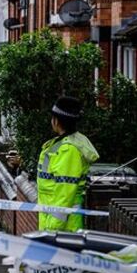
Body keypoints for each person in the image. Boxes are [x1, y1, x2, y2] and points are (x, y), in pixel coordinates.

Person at [37, 96, 99, 232]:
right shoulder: (61, 144)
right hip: (56, 222)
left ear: (57, 121)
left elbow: (65, 193)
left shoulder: (68, 150)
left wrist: (52, 228)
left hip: (63, 228)